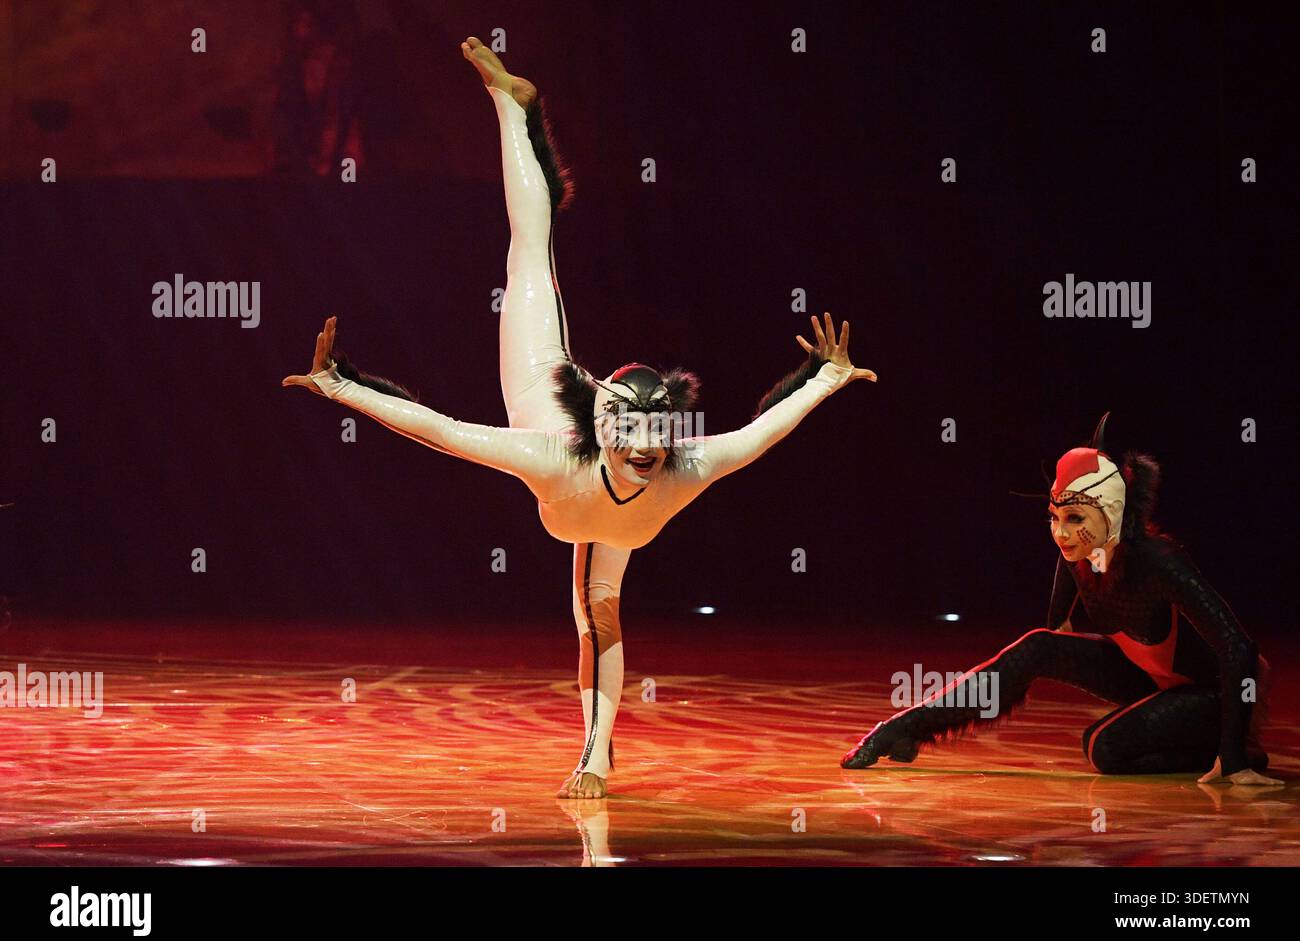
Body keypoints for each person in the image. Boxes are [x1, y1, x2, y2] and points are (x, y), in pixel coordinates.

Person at [283, 37, 877, 798]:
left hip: (605, 507)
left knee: (599, 613)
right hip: (544, 378)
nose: (645, 451)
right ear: (603, 428)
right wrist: (343, 387)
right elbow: (443, 430)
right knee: (530, 253)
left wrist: (823, 378)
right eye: (630, 434)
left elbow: (762, 434)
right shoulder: (550, 457)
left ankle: (597, 754)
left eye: (656, 437)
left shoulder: (681, 467)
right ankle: (514, 105)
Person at [841, 415, 1281, 786]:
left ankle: (1226, 755)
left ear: (1109, 515)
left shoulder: (1157, 562)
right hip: (1152, 678)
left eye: (1074, 519)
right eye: (1054, 518)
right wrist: (1053, 639)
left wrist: (1234, 758)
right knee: (1037, 645)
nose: (1061, 533)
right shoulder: (1078, 554)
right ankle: (903, 730)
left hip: (1213, 695)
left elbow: (1240, 650)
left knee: (1103, 747)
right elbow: (1050, 638)